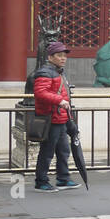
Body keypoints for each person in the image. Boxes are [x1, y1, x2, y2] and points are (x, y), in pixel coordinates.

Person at [32, 41, 80, 192]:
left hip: (60, 118)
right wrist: (59, 100)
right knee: (47, 152)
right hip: (50, 118)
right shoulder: (45, 72)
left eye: (64, 56)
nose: (63, 58)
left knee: (63, 150)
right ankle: (41, 181)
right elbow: (40, 93)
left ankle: (63, 178)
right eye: (59, 55)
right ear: (50, 57)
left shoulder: (58, 72)